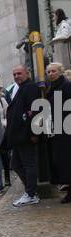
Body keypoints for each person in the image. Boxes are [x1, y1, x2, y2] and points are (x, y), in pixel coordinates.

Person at [5, 63, 42, 206]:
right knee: (16, 164)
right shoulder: (20, 88)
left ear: (27, 73)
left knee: (28, 164)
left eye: (19, 73)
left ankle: (31, 193)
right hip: (18, 136)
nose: (16, 76)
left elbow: (35, 110)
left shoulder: (31, 87)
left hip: (26, 135)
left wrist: (34, 132)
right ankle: (30, 190)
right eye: (14, 74)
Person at [45, 60, 71, 202]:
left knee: (66, 160)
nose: (51, 74)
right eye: (49, 72)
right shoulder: (50, 88)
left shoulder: (66, 86)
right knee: (60, 161)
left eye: (53, 71)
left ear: (60, 72)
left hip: (67, 130)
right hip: (57, 130)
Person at [52, 7, 71, 73]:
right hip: (59, 50)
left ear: (58, 15)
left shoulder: (64, 24)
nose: (53, 18)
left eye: (54, 16)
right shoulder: (61, 25)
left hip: (64, 52)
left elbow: (65, 35)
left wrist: (54, 39)